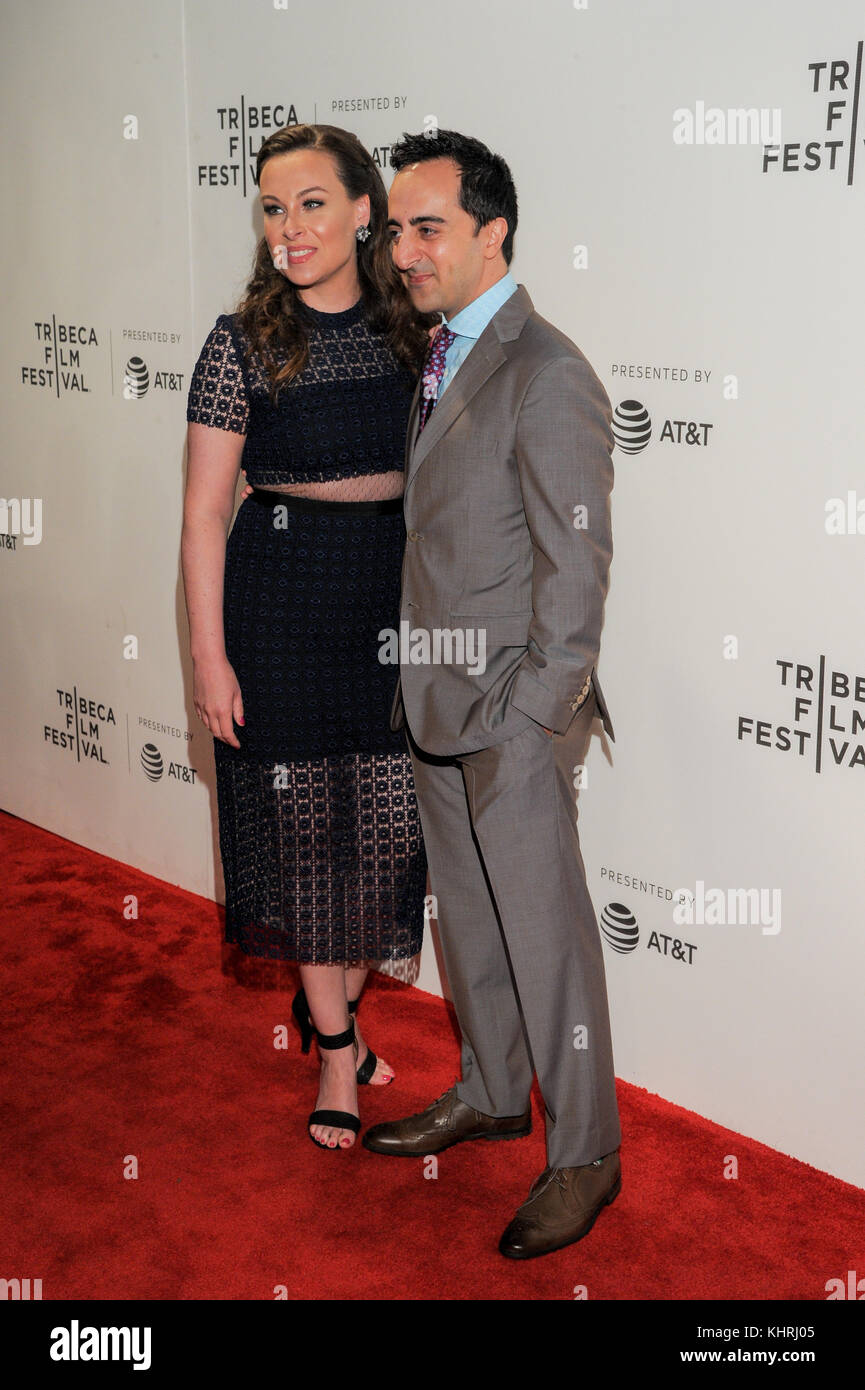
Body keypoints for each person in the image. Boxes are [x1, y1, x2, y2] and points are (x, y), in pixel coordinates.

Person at [362, 130, 622, 1258]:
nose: (402, 252)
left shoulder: (547, 372)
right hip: (435, 697)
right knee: (469, 923)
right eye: (395, 231)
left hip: (512, 713)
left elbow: (579, 566)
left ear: (491, 233)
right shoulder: (437, 354)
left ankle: (587, 1154)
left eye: (427, 229)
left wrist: (534, 709)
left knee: (546, 935)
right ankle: (492, 1088)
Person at [181, 123, 431, 1153]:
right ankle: (335, 1051)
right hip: (277, 599)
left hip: (390, 601)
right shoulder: (240, 340)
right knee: (306, 846)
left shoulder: (417, 330)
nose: (291, 228)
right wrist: (208, 653)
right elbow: (202, 511)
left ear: (364, 209)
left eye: (313, 204)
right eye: (274, 209)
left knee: (385, 842)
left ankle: (333, 1009)